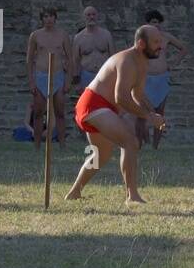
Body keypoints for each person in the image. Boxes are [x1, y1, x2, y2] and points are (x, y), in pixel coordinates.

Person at [64, 26, 167, 204]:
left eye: (160, 41)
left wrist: (153, 113)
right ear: (142, 44)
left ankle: (74, 192)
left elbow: (137, 95)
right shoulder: (126, 60)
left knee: (101, 156)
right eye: (156, 42)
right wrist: (149, 117)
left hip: (105, 109)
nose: (161, 46)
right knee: (130, 142)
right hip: (92, 104)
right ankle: (132, 196)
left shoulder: (142, 62)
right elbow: (121, 98)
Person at [139, 9, 188, 149]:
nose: (156, 25)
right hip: (146, 78)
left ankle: (155, 146)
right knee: (143, 112)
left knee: (160, 112)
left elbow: (183, 49)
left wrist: (173, 63)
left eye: (157, 22)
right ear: (147, 24)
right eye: (152, 22)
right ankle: (145, 142)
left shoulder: (166, 37)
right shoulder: (142, 38)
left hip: (162, 78)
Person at [26, 7, 73, 150]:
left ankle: (62, 145)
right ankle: (37, 146)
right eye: (46, 17)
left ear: (55, 18)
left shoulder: (63, 35)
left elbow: (70, 59)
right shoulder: (35, 35)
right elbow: (29, 60)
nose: (49, 19)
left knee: (59, 112)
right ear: (42, 19)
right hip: (41, 75)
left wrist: (68, 81)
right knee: (39, 112)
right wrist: (31, 81)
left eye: (51, 16)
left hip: (58, 76)